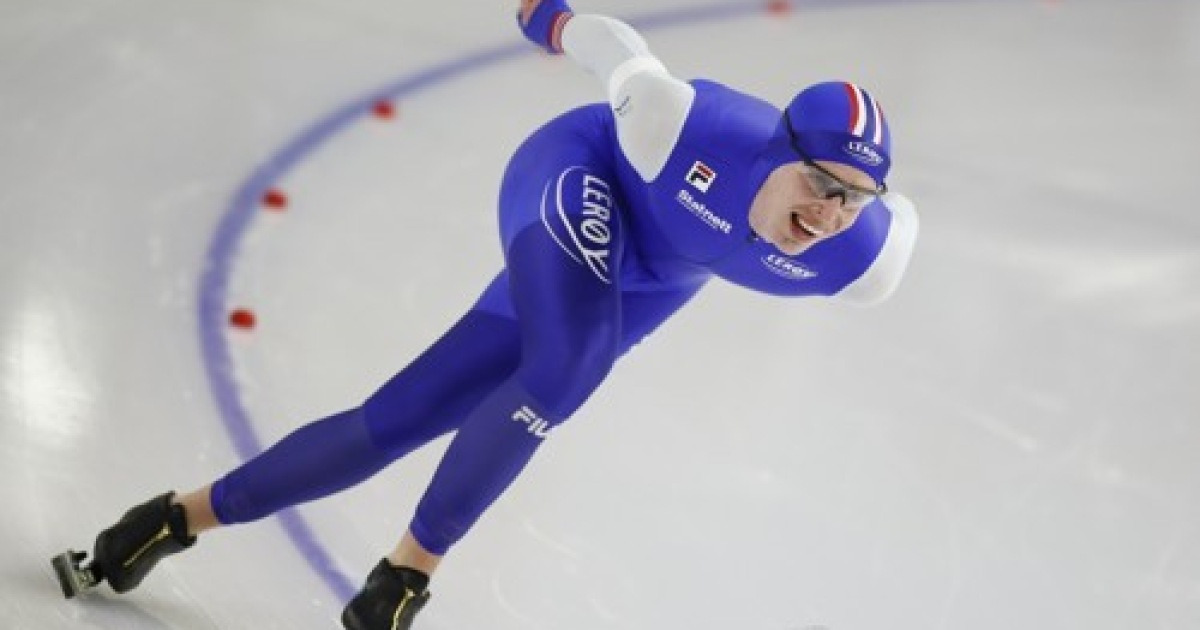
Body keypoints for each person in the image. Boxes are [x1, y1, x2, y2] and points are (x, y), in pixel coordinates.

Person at [51, 1, 919, 628]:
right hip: (579, 173)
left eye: (855, 199)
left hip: (657, 276)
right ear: (777, 149)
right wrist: (552, 17)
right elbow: (622, 56)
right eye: (819, 183)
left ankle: (167, 520)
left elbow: (901, 221)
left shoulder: (863, 259)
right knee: (570, 363)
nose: (830, 213)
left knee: (397, 420)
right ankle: (402, 581)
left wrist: (864, 209)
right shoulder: (683, 124)